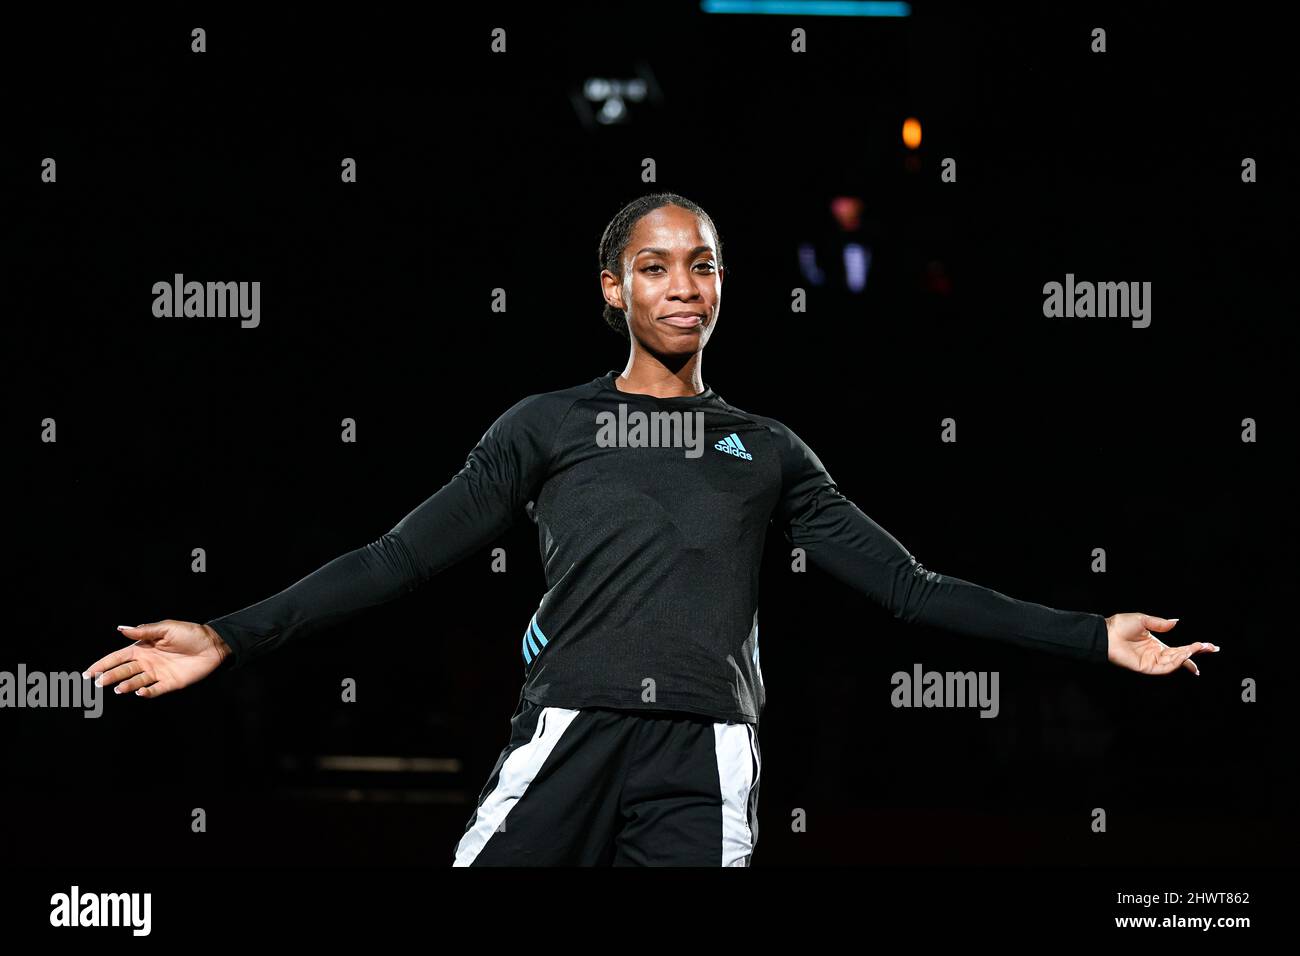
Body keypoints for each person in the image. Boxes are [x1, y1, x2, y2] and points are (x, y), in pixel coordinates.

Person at [83, 192, 1220, 866]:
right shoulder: (545, 426)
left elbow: (910, 588)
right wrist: (229, 633)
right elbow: (397, 556)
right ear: (612, 289)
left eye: (703, 264)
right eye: (655, 266)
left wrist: (1091, 633)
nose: (684, 284)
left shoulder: (768, 449)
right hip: (568, 733)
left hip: (707, 754)